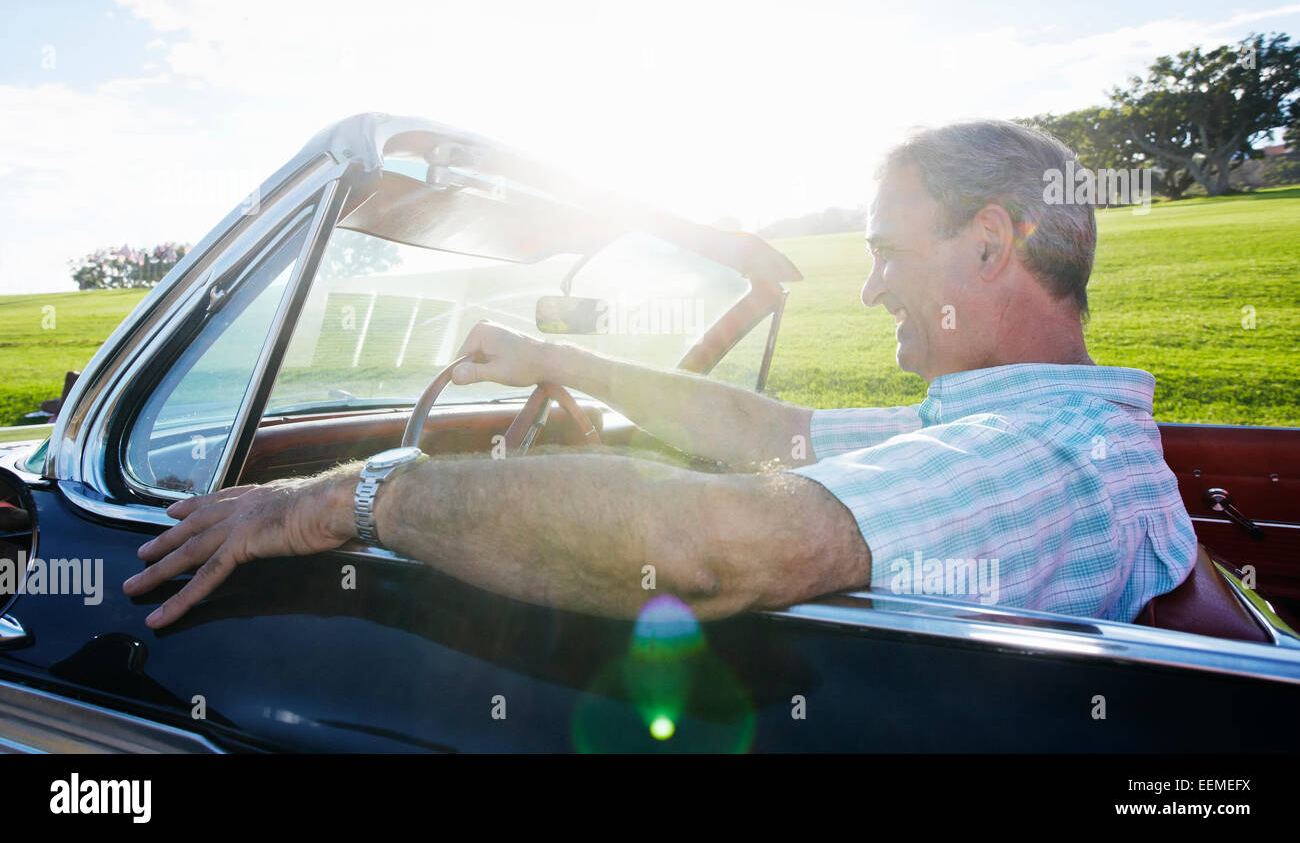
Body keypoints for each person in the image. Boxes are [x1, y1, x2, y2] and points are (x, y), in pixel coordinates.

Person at [123, 120, 1197, 630]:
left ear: (989, 244)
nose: (871, 290)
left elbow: (704, 548)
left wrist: (346, 497)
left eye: (885, 250)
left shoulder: (1025, 462)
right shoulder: (1043, 429)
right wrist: (559, 361)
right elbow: (777, 433)